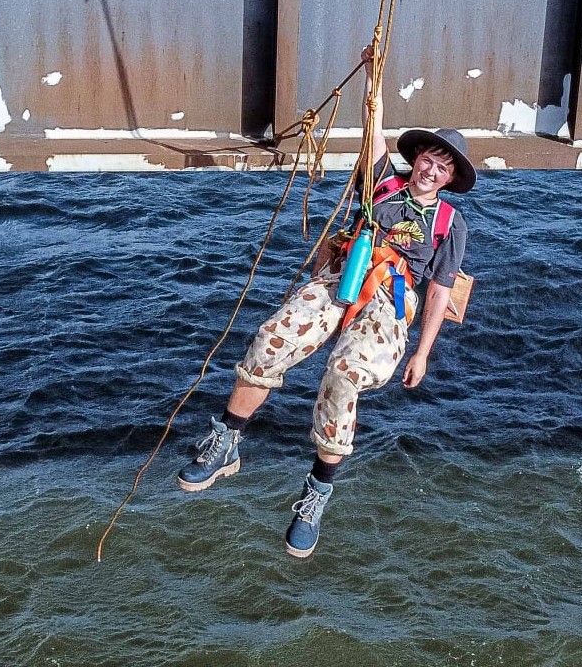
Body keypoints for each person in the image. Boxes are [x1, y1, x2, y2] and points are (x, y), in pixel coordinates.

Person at [176, 44, 472, 557]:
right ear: (417, 157)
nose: (432, 170)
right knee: (272, 339)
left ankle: (315, 493)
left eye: (443, 168)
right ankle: (225, 442)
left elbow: (440, 291)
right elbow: (372, 127)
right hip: (343, 272)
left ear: (448, 179)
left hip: (389, 300)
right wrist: (373, 77)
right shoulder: (381, 180)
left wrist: (422, 353)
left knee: (345, 375)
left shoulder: (450, 225)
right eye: (430, 158)